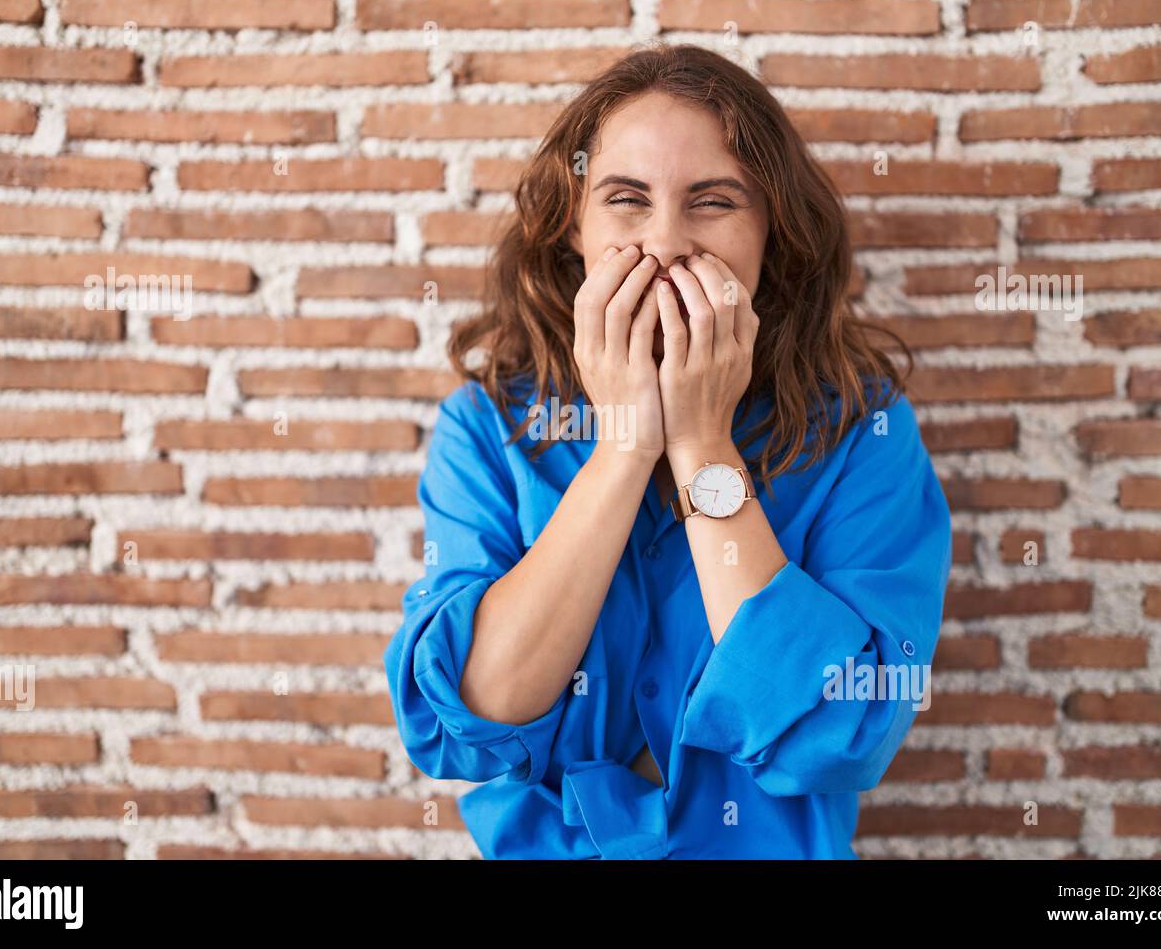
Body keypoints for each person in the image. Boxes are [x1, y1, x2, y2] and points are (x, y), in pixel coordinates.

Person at [383, 43, 953, 859]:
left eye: (712, 202)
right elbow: (469, 719)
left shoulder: (864, 436)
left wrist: (700, 441)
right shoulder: (485, 429)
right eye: (626, 199)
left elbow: (843, 734)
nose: (665, 243)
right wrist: (623, 448)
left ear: (772, 236)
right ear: (574, 228)